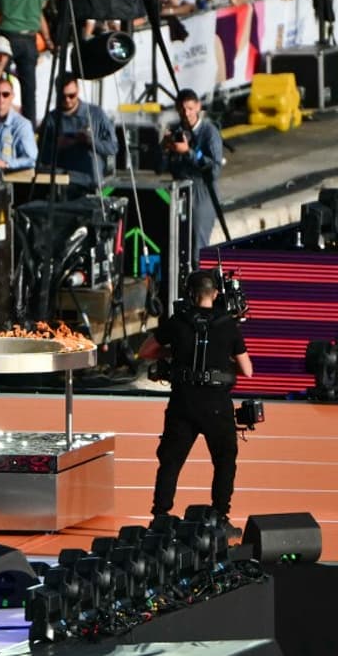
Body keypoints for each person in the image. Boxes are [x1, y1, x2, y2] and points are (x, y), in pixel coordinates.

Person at [139, 270, 253, 528]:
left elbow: (145, 351)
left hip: (183, 402)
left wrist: (176, 353)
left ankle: (160, 514)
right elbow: (247, 370)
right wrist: (220, 366)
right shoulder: (228, 325)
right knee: (224, 460)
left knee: (170, 461)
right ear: (215, 293)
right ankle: (220, 514)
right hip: (216, 405)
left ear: (190, 293)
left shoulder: (177, 321)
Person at [162, 88, 224, 266]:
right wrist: (166, 149)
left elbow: (214, 170)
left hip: (202, 192)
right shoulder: (176, 131)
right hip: (179, 191)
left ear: (198, 107)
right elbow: (161, 167)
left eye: (190, 108)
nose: (186, 113)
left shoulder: (209, 132)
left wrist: (188, 152)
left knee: (198, 248)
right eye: (182, 109)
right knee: (175, 247)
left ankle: (200, 286)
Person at [37, 74, 117, 196]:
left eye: (71, 95)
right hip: (62, 184)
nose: (67, 100)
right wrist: (57, 146)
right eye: (63, 96)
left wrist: (90, 141)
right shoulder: (51, 119)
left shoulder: (96, 114)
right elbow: (40, 155)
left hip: (90, 183)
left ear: (78, 90)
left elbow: (113, 147)